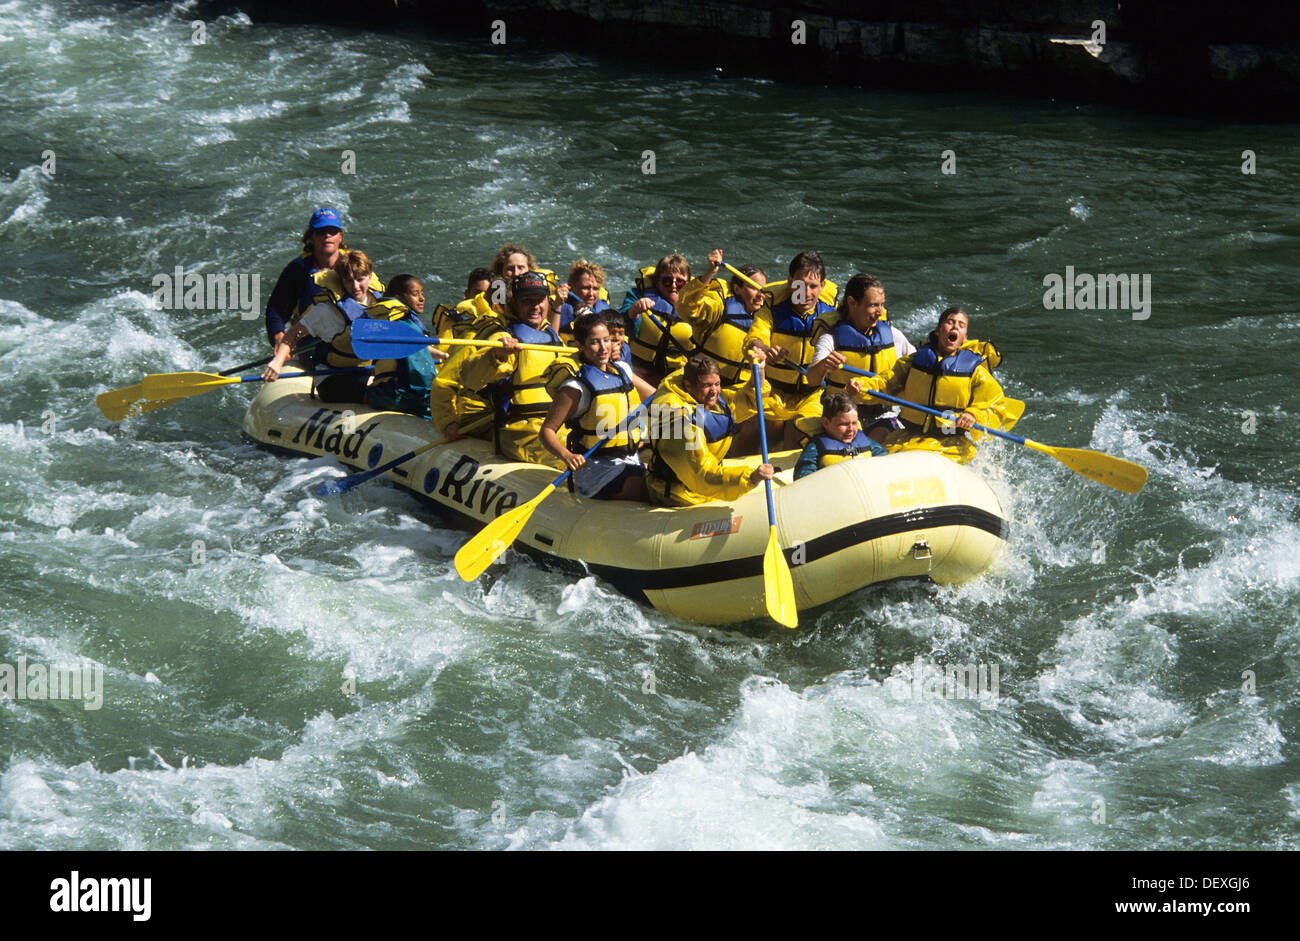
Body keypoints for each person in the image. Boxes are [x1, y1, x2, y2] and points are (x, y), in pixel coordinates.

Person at [852, 306, 1023, 464]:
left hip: (952, 445)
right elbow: (885, 382)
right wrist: (862, 385)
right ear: (938, 331)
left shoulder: (975, 372)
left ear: (964, 339)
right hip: (910, 438)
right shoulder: (912, 363)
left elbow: (996, 405)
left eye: (961, 325)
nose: (955, 327)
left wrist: (973, 415)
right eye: (950, 322)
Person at [540, 312, 656, 500]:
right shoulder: (575, 387)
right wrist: (567, 455)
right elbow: (547, 430)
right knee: (655, 490)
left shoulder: (623, 370)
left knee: (668, 479)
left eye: (607, 340)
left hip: (629, 458)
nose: (603, 348)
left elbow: (655, 397)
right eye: (595, 342)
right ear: (580, 345)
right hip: (596, 470)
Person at [458, 271, 569, 467]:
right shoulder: (502, 335)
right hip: (520, 432)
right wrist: (496, 356)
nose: (535, 306)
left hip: (556, 427)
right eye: (527, 301)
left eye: (540, 300)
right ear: (514, 303)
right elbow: (469, 376)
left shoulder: (551, 335)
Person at [645, 354, 775, 507]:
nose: (714, 391)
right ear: (688, 386)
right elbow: (702, 476)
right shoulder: (683, 424)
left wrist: (758, 374)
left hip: (702, 489)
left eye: (717, 384)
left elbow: (746, 401)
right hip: (680, 496)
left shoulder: (708, 400)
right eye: (707, 385)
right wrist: (749, 478)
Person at [741, 250, 839, 448]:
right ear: (789, 281)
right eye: (800, 285)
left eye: (813, 286)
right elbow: (754, 340)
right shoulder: (771, 308)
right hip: (774, 390)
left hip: (813, 394)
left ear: (822, 286)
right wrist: (766, 350)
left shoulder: (834, 314)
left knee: (797, 432)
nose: (806, 293)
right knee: (755, 431)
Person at [803, 273, 914, 443]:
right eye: (873, 305)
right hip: (841, 419)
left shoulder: (892, 335)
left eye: (882, 305)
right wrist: (824, 365)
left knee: (881, 436)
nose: (880, 312)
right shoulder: (831, 338)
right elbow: (811, 379)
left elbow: (916, 364)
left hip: (881, 415)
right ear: (852, 303)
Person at [261, 250, 382, 402]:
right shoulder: (327, 311)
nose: (355, 286)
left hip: (367, 371)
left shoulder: (382, 305)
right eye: (349, 281)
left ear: (370, 277)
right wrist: (277, 362)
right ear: (341, 281)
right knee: (378, 394)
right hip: (333, 378)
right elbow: (293, 334)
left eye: (360, 279)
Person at [262, 208, 383, 348]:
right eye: (321, 232)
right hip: (311, 344)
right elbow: (276, 309)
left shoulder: (355, 264)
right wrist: (279, 338)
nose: (327, 235)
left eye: (332, 231)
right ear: (311, 237)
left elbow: (379, 297)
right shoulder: (297, 270)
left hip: (355, 340)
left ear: (340, 236)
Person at [363, 274, 448, 418]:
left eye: (422, 293)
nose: (422, 298)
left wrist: (444, 355)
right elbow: (422, 375)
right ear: (398, 297)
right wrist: (436, 399)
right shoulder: (405, 325)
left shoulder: (385, 318)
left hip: (381, 391)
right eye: (415, 294)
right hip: (397, 395)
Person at [677, 249, 766, 385]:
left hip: (739, 389)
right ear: (737, 289)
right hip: (701, 384)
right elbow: (688, 305)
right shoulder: (720, 307)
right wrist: (710, 273)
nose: (760, 295)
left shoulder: (766, 319)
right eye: (754, 288)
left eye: (763, 290)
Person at [625, 254, 696, 383]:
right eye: (667, 280)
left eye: (680, 281)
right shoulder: (637, 295)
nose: (674, 286)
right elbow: (618, 328)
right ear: (657, 281)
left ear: (688, 284)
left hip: (675, 377)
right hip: (637, 372)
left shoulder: (699, 306)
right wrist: (633, 312)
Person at [793, 392, 886, 479]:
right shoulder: (816, 446)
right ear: (826, 422)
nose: (850, 429)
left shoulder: (865, 442)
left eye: (854, 423)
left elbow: (884, 460)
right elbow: (803, 476)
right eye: (844, 424)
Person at [554, 259, 612, 341]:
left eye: (595, 289)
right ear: (572, 287)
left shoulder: (604, 310)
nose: (591, 294)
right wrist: (557, 306)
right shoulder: (560, 307)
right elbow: (551, 338)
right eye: (585, 288)